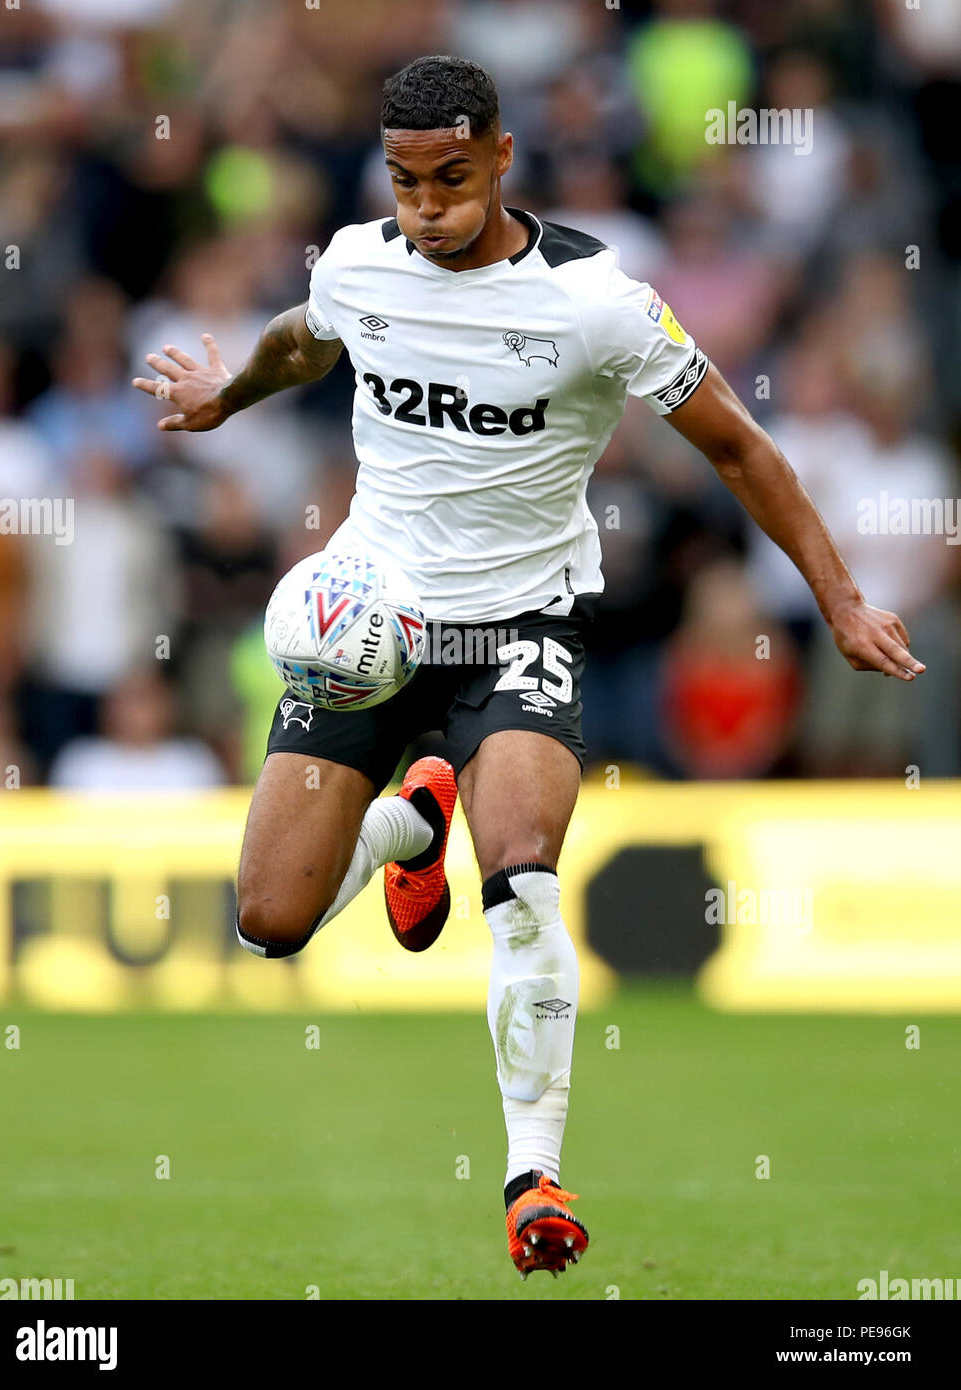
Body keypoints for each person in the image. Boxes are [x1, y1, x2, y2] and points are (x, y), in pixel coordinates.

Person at [131, 55, 924, 1280]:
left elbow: (738, 444)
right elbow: (302, 340)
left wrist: (837, 599)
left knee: (523, 879)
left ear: (501, 160)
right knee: (267, 922)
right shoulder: (357, 263)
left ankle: (531, 1176)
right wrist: (224, 396)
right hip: (374, 622)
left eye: (450, 178)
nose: (426, 206)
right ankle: (409, 828)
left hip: (521, 625)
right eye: (404, 181)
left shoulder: (596, 302)